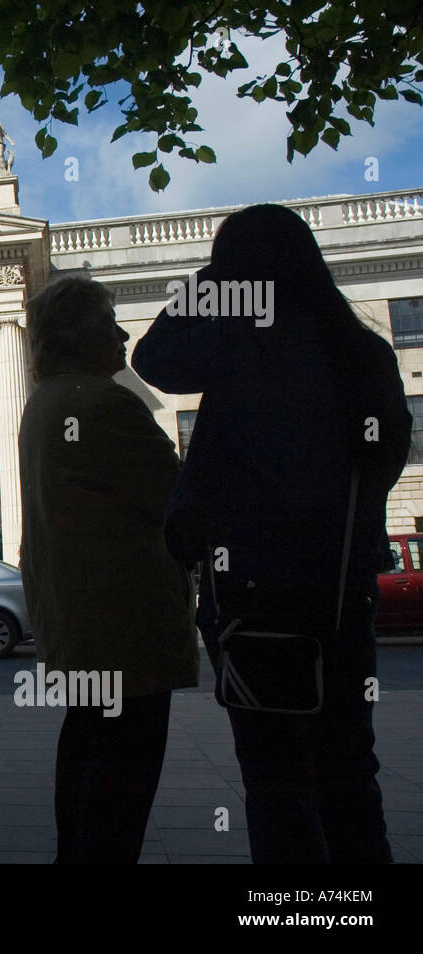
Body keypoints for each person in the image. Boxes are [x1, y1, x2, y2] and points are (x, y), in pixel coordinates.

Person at [132, 203, 409, 864]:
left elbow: (153, 357)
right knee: (348, 771)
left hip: (252, 594)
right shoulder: (361, 350)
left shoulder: (235, 345)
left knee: (275, 780)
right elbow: (385, 459)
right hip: (338, 591)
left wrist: (212, 282)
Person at [18, 276, 198, 863]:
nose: (121, 334)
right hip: (127, 627)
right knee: (122, 782)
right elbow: (177, 502)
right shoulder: (103, 401)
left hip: (78, 624)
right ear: (75, 335)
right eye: (107, 322)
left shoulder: (44, 401)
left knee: (85, 754)